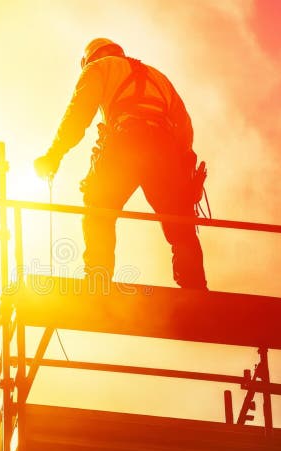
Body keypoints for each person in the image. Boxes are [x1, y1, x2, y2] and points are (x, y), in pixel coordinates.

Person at [34, 38, 207, 289]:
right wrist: (181, 175)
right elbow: (184, 127)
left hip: (125, 141)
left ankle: (98, 280)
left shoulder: (99, 68)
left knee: (99, 208)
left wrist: (54, 155)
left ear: (87, 60)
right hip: (164, 148)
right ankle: (195, 288)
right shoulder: (156, 75)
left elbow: (78, 115)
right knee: (180, 220)